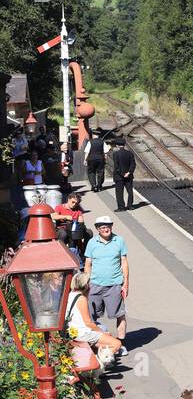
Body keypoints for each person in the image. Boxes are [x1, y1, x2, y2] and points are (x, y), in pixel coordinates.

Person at [83, 213, 129, 344]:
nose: (105, 229)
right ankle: (95, 343)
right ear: (97, 229)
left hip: (114, 285)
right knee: (90, 316)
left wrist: (126, 283)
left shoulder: (119, 241)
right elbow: (88, 264)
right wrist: (87, 283)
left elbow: (124, 262)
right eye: (102, 227)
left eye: (108, 226)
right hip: (95, 285)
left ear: (111, 226)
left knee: (120, 314)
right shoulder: (92, 243)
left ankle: (121, 343)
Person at [65, 270, 126, 365]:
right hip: (82, 333)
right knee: (116, 344)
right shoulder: (82, 299)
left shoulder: (70, 295)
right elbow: (88, 323)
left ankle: (96, 359)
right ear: (85, 285)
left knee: (103, 337)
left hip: (73, 330)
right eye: (89, 283)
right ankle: (98, 364)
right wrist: (103, 333)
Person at [111, 135, 136, 212]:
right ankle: (130, 205)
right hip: (129, 176)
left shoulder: (116, 154)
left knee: (119, 192)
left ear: (117, 145)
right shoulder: (130, 153)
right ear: (124, 145)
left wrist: (122, 174)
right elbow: (133, 164)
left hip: (119, 176)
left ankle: (121, 207)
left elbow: (116, 166)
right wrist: (129, 172)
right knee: (130, 191)